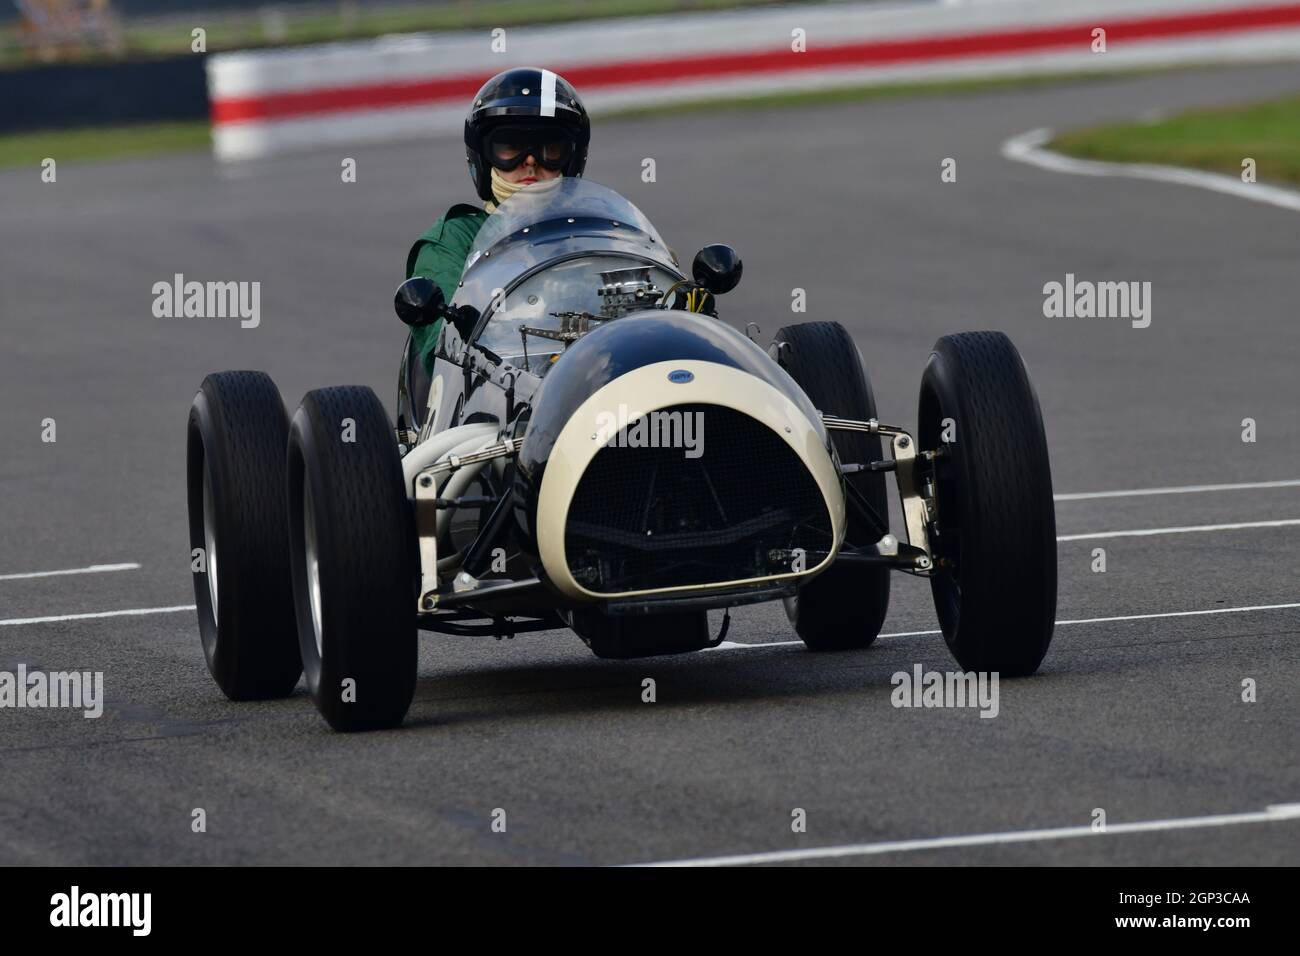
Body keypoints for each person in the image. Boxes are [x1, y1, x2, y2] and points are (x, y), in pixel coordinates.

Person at [404, 67, 590, 375]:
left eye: (549, 148)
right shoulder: (455, 238)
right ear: (484, 158)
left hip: (594, 375)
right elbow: (444, 349)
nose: (530, 161)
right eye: (511, 147)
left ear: (570, 158)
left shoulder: (596, 230)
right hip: (491, 387)